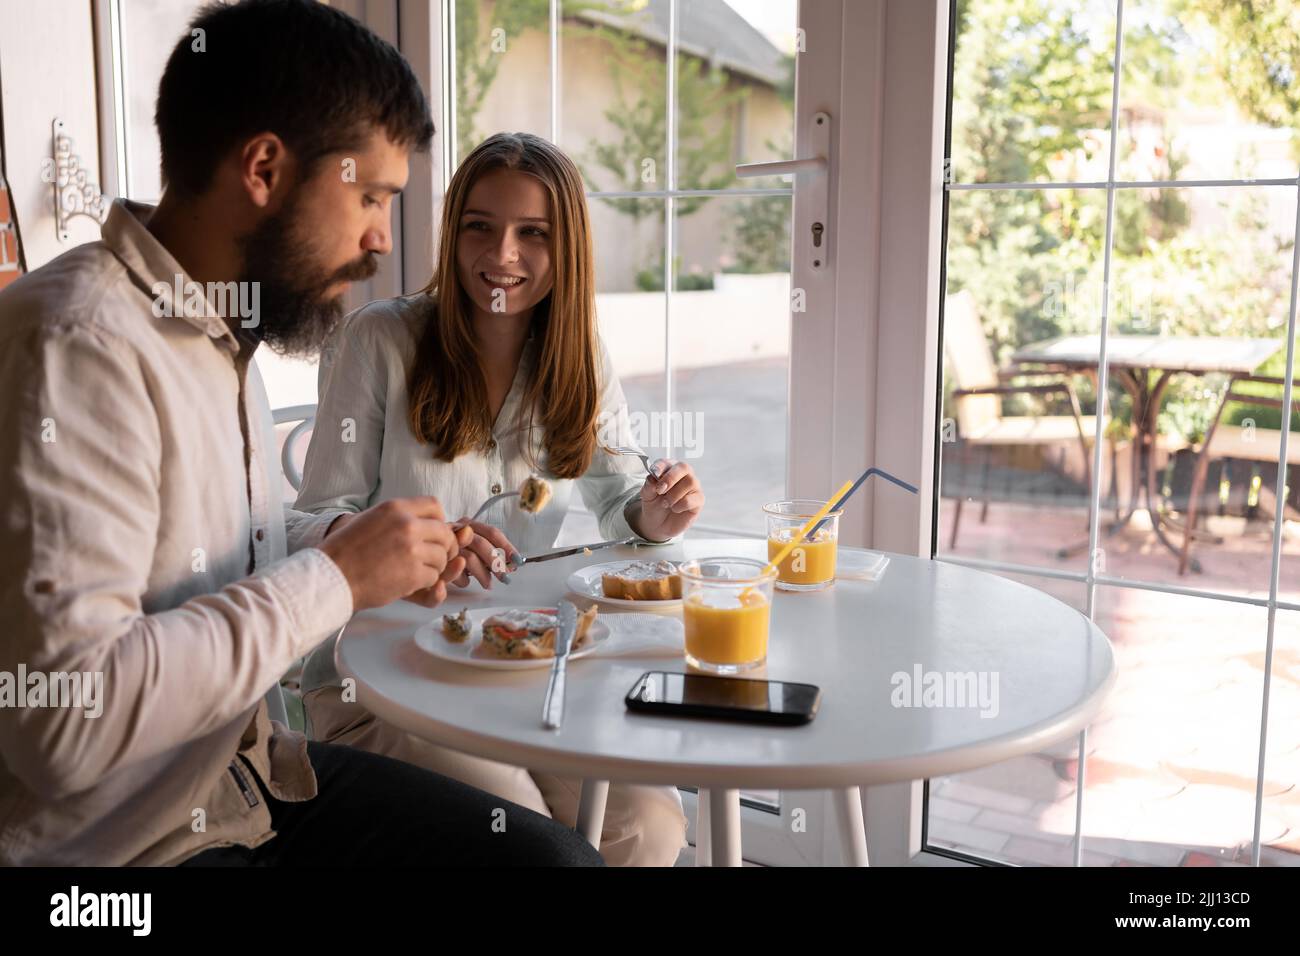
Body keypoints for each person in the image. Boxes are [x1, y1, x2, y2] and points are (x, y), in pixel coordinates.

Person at [0, 0, 600, 866]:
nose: (380, 239)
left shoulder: (215, 332)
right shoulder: (78, 347)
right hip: (115, 855)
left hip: (239, 784)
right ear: (265, 169)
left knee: (557, 861)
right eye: (368, 196)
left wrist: (362, 545)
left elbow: (193, 569)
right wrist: (335, 577)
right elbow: (66, 723)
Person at [294, 132, 705, 866]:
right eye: (480, 226)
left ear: (566, 246)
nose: (502, 255)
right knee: (521, 829)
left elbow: (622, 509)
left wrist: (657, 513)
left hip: (520, 667)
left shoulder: (580, 359)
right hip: (379, 680)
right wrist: (402, 543)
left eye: (533, 234)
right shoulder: (377, 341)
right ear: (453, 232)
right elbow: (306, 522)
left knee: (649, 825)